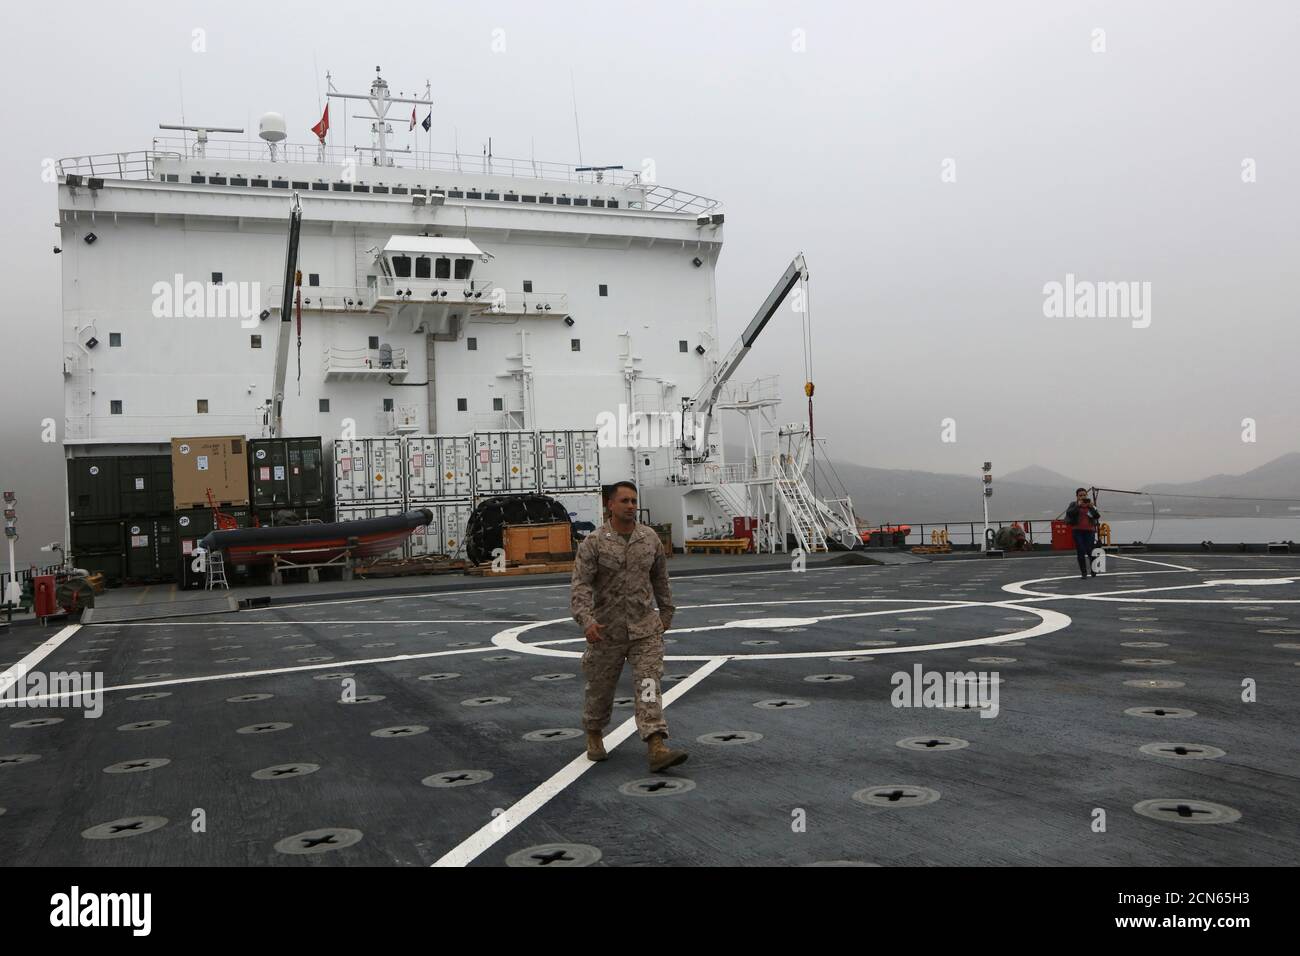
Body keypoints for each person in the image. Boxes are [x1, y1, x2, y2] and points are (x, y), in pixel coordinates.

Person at [570, 480, 687, 772]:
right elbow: (581, 585)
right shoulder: (594, 543)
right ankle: (594, 734)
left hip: (644, 629)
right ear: (610, 505)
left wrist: (667, 613)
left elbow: (660, 578)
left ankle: (656, 743)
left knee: (649, 684)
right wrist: (586, 620)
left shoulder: (649, 539)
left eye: (634, 501)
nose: (631, 506)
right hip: (606, 631)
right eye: (625, 501)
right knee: (600, 688)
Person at [1065, 487, 1102, 579]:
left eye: (1084, 495)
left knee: (1090, 550)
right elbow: (1069, 513)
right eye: (1080, 495)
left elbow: (1097, 516)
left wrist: (1091, 507)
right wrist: (1078, 505)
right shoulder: (1073, 504)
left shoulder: (1091, 505)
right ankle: (1084, 572)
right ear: (1077, 496)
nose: (1082, 497)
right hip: (1077, 530)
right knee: (1080, 550)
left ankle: (1093, 570)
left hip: (1090, 530)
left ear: (1087, 495)